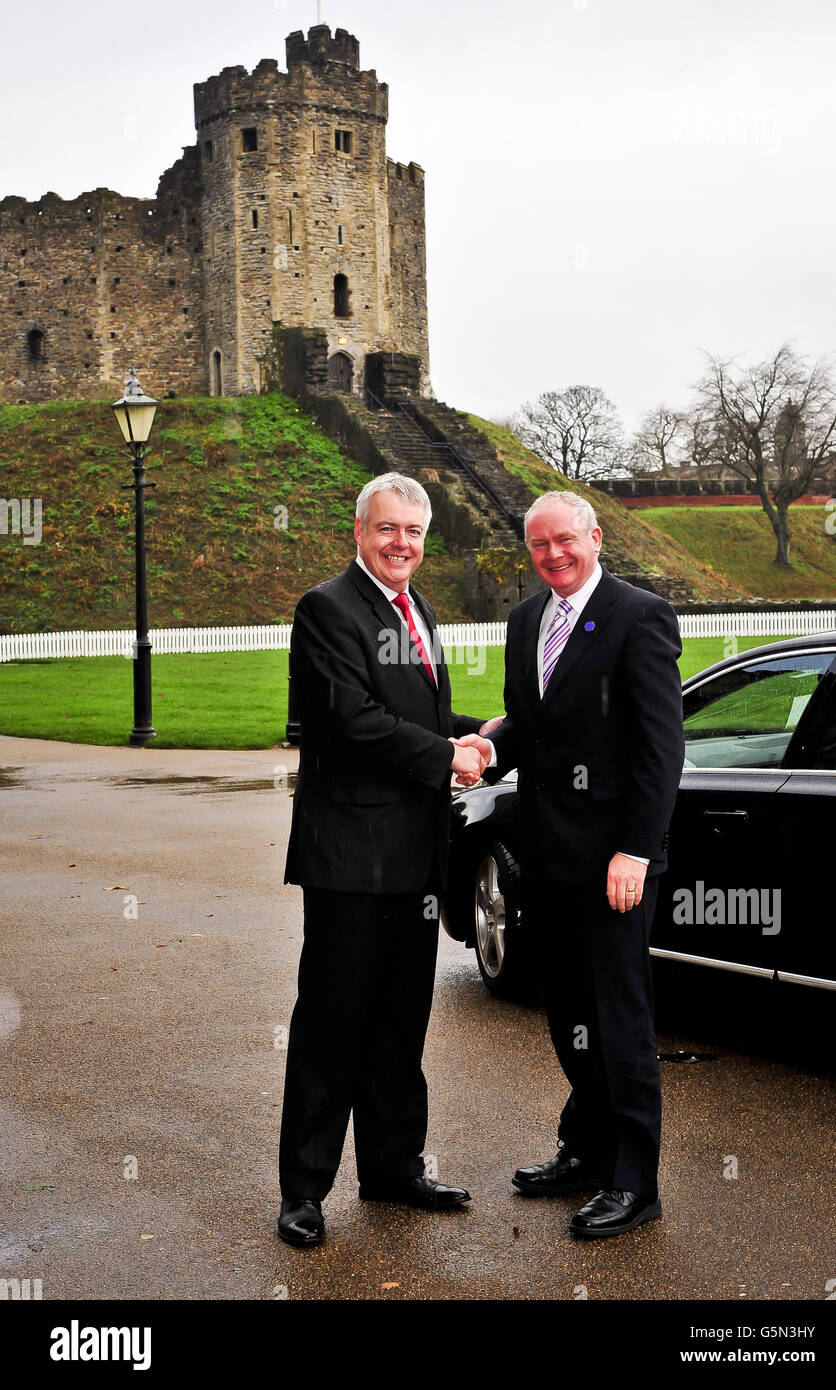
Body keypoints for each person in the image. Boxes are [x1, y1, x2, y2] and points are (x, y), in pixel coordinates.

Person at [455, 491, 684, 1239]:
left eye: (565, 541)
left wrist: (636, 851)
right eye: (538, 545)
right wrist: (492, 747)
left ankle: (632, 1181)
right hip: (546, 858)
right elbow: (533, 720)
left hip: (613, 864)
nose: (553, 555)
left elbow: (659, 749)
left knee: (618, 1023)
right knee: (569, 1018)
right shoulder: (526, 620)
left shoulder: (638, 615)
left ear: (593, 537)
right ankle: (586, 1153)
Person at [277, 473, 493, 1247]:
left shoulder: (417, 609)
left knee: (401, 1021)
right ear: (358, 532)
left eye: (414, 532)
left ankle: (395, 1169)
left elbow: (419, 715)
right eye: (387, 529)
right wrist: (448, 755)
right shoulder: (327, 608)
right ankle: (303, 1192)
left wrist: (481, 733)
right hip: (349, 857)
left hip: (414, 857)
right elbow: (352, 719)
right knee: (333, 1024)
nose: (401, 543)